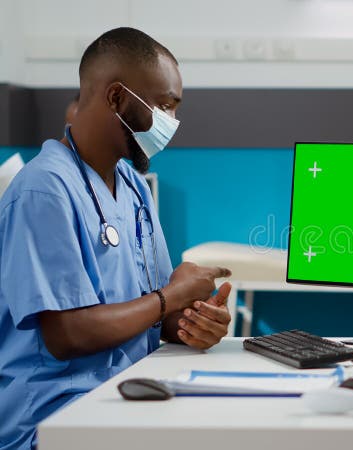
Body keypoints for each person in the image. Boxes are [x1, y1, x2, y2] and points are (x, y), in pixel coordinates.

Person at [0, 28, 233, 450]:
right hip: (52, 418)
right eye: (163, 106)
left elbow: (152, 313)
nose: (171, 123)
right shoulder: (44, 191)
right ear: (116, 98)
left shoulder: (133, 185)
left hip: (121, 393)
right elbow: (66, 334)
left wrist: (191, 324)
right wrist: (170, 297)